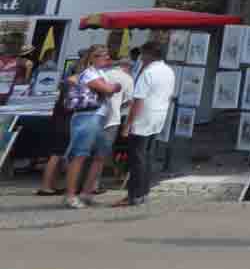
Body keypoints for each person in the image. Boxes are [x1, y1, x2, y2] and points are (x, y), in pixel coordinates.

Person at [62, 45, 122, 209]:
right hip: (87, 117)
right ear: (93, 57)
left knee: (100, 155)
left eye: (108, 56)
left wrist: (112, 88)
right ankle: (71, 195)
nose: (107, 59)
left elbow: (108, 90)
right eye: (104, 56)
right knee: (80, 155)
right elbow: (108, 89)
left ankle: (86, 193)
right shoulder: (89, 73)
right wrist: (115, 86)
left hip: (99, 117)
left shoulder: (99, 73)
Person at [117, 40, 175, 208]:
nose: (141, 58)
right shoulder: (168, 70)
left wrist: (128, 124)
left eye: (143, 54)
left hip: (144, 116)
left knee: (137, 157)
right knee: (147, 155)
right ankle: (143, 192)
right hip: (159, 114)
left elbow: (138, 100)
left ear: (149, 55)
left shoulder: (148, 72)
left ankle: (134, 195)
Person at [81, 55, 135, 201]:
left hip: (93, 116)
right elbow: (129, 102)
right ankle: (93, 186)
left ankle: (82, 183)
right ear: (128, 67)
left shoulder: (103, 74)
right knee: (100, 156)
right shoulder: (128, 79)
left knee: (87, 152)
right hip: (111, 119)